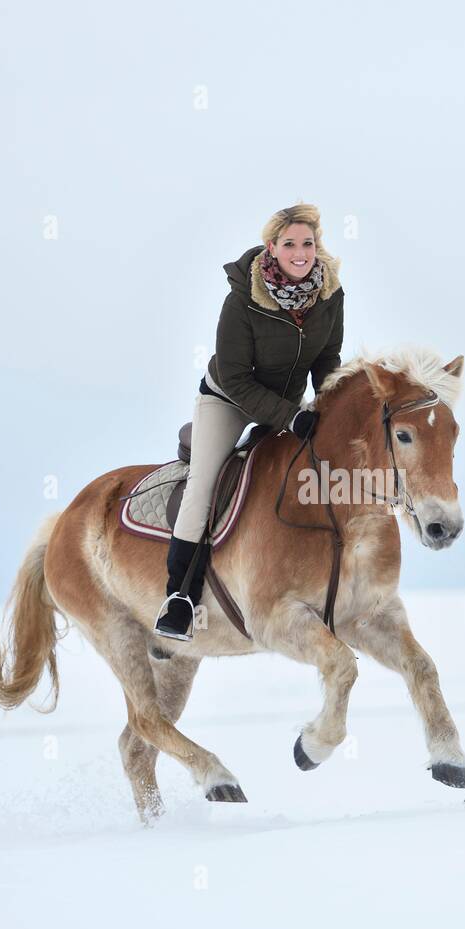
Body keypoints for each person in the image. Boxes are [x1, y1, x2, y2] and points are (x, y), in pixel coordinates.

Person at [154, 203, 345, 640]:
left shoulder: (331, 294)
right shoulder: (242, 297)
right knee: (203, 485)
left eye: (308, 244)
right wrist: (289, 417)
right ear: (272, 247)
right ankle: (178, 599)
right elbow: (237, 380)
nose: (300, 253)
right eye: (290, 244)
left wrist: (328, 404)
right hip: (227, 399)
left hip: (286, 403)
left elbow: (327, 359)